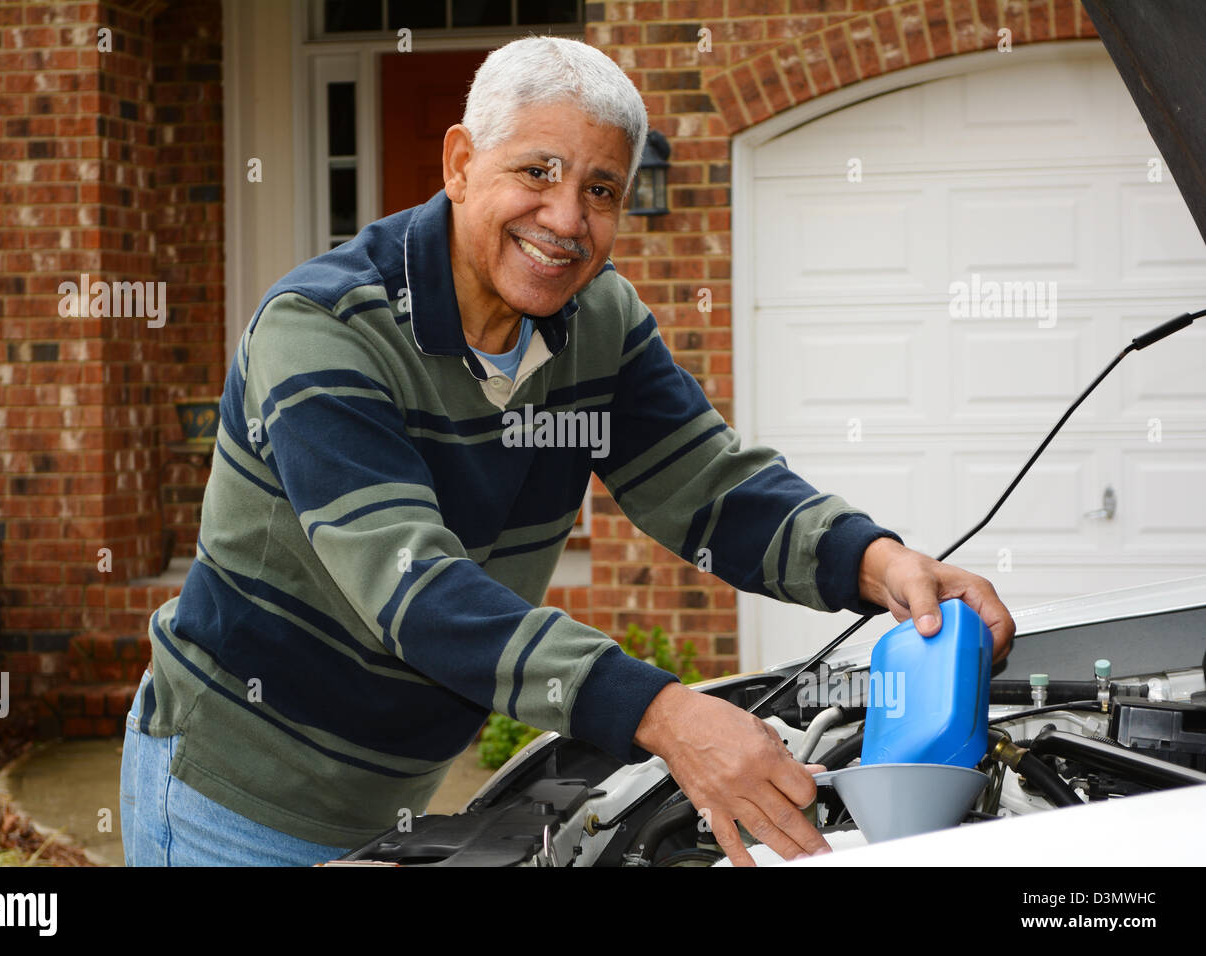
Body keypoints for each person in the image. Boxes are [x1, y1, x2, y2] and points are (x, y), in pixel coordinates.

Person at [120, 36, 1015, 867]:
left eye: (600, 189)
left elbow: (708, 488)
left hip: (401, 789)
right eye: (537, 172)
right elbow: (414, 588)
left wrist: (877, 560)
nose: (566, 216)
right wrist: (662, 714)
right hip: (230, 798)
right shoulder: (321, 329)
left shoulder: (599, 322)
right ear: (460, 163)